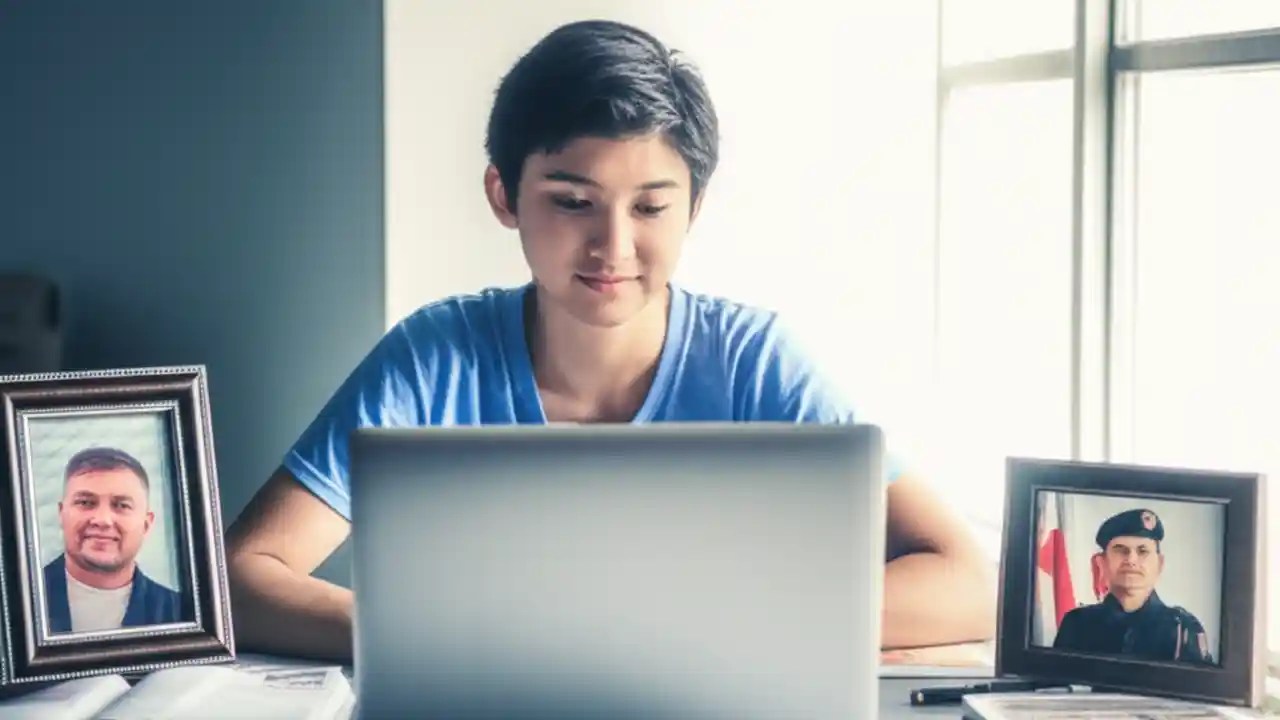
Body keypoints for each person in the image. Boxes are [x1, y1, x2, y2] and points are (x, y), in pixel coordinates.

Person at [225, 19, 995, 661]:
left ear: (693, 206)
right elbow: (242, 575)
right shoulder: (433, 356)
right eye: (572, 202)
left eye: (651, 208)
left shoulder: (755, 359)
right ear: (505, 195)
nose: (613, 247)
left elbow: (967, 582)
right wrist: (438, 641)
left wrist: (685, 632)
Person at [44, 446, 184, 633]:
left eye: (121, 505)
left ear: (146, 524)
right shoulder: (15, 601)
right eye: (85, 502)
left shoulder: (182, 614)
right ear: (61, 514)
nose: (102, 520)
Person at [1053, 508, 1213, 663]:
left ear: (1160, 564)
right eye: (1121, 550)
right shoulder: (1077, 624)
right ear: (1101, 563)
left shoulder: (1183, 628)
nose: (1131, 560)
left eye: (1142, 551)